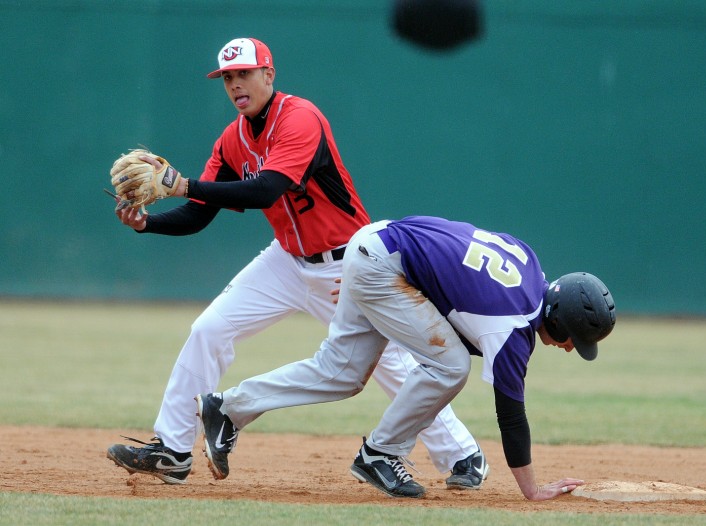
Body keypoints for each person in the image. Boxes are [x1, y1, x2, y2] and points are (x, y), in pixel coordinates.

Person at [106, 38, 487, 490]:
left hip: (349, 263)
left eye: (244, 73)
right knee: (208, 330)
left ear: (269, 74)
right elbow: (198, 212)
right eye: (227, 77)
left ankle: (462, 456)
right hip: (286, 259)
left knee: (392, 364)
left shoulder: (300, 118)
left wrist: (181, 183)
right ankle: (172, 449)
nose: (235, 84)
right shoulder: (232, 140)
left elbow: (265, 189)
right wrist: (147, 225)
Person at [194, 216, 616, 499]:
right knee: (451, 367)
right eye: (572, 339)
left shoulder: (528, 261)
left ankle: (227, 408)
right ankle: (381, 453)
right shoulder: (512, 330)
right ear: (560, 321)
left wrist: (368, 271)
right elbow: (511, 416)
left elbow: (453, 256)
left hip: (379, 245)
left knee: (341, 371)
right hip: (386, 264)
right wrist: (532, 490)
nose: (567, 348)